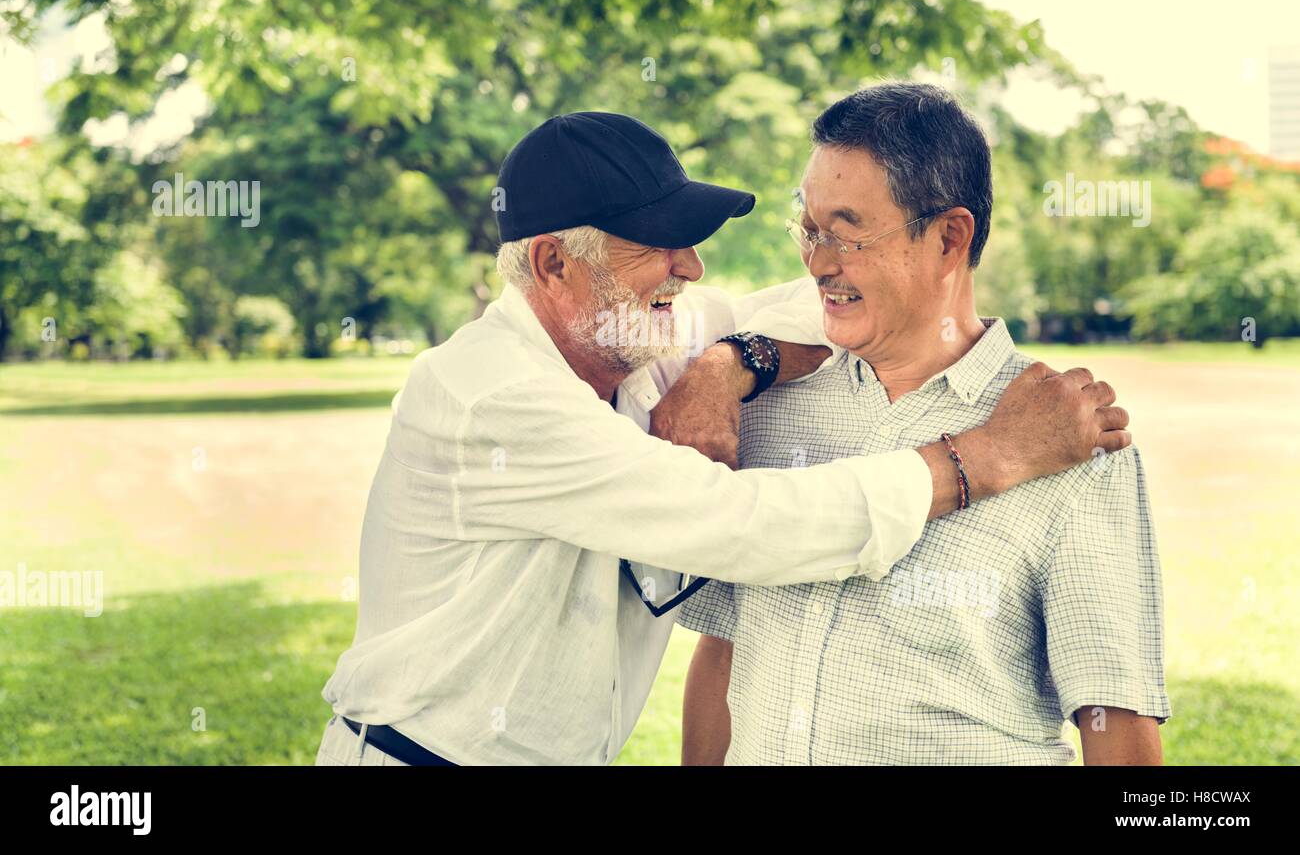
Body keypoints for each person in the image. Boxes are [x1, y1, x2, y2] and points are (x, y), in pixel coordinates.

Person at [315, 110, 1131, 766]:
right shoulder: (490, 395)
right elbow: (746, 525)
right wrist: (987, 454)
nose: (692, 267)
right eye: (657, 243)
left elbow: (827, 298)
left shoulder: (636, 337)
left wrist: (727, 363)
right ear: (555, 263)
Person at [676, 83, 1168, 765]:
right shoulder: (769, 408)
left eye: (847, 232)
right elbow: (726, 648)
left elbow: (1115, 719)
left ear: (948, 238)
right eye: (810, 230)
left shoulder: (1076, 442)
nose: (818, 263)